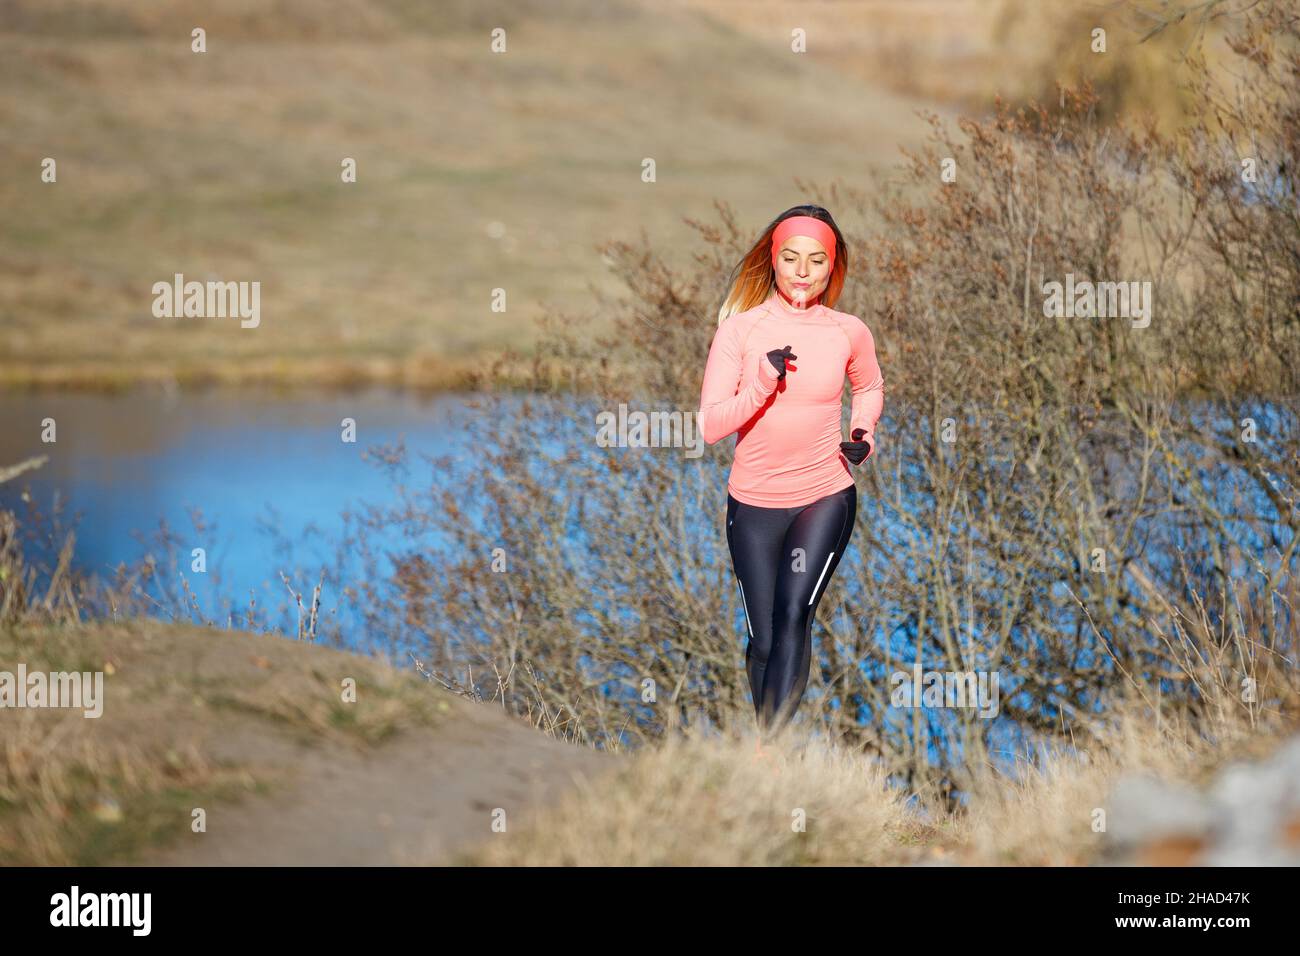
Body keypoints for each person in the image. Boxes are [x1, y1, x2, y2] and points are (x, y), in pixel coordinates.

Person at [698, 206, 884, 747]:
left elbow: (869, 387)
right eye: (791, 257)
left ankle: (768, 753)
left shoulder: (849, 331)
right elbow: (710, 425)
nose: (803, 270)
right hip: (753, 506)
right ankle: (765, 740)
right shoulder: (740, 331)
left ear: (833, 267)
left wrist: (863, 432)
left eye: (816, 259)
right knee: (763, 639)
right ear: (773, 261)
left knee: (793, 614)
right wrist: (760, 384)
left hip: (824, 495)